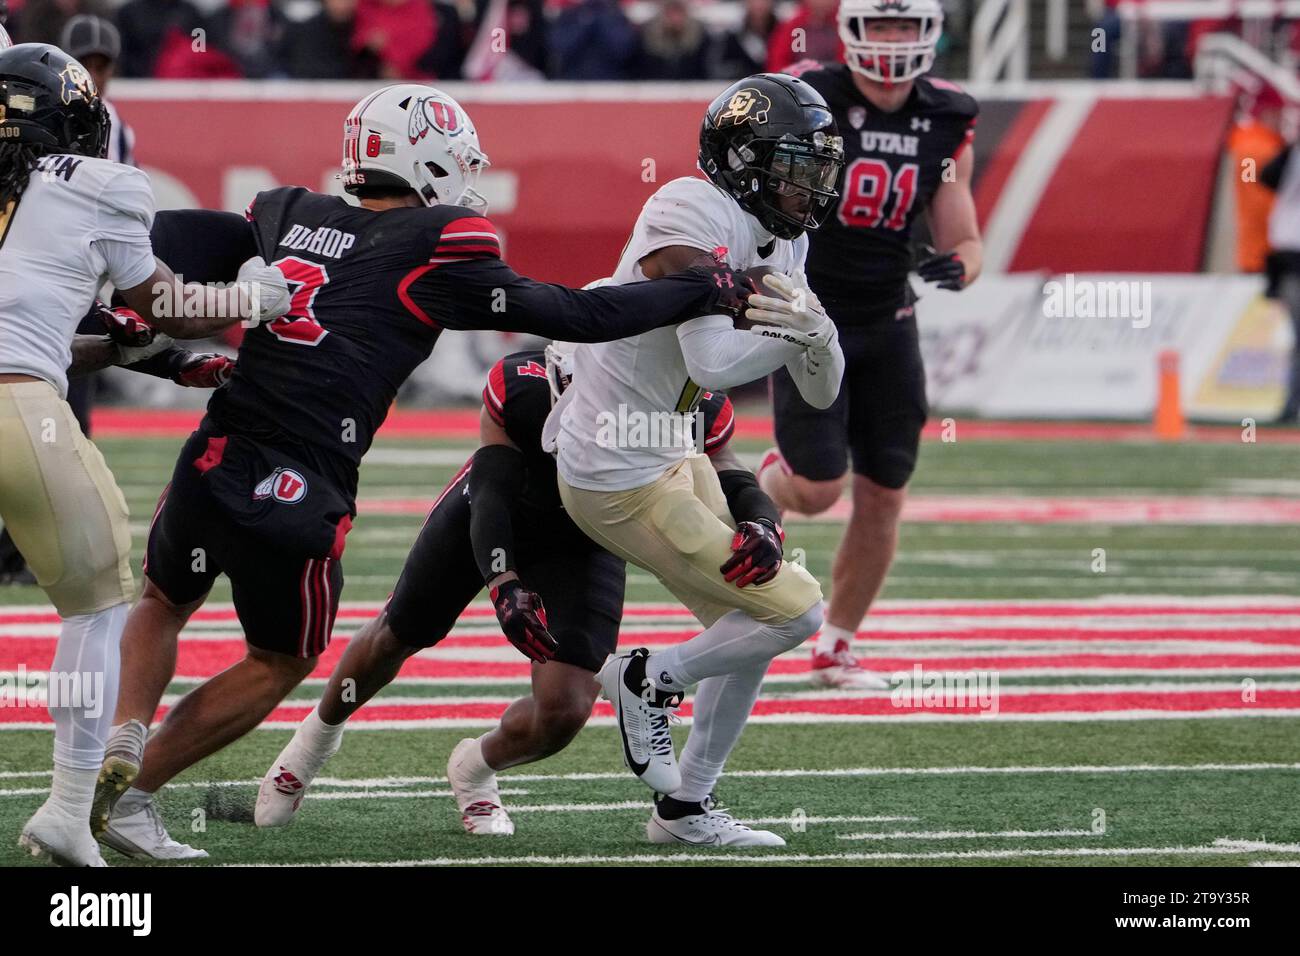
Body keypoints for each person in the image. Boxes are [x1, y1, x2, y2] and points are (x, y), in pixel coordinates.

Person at [91, 83, 763, 858]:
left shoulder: (287, 212)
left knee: (164, 599)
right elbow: (579, 316)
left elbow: (151, 248)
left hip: (215, 449)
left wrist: (146, 327)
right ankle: (136, 795)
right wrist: (703, 285)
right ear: (427, 158)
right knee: (281, 658)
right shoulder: (440, 240)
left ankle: (118, 743)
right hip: (305, 476)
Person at [255, 339, 781, 837]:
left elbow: (723, 469)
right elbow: (492, 487)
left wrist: (762, 519)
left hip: (588, 538)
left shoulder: (690, 400)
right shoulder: (526, 386)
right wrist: (502, 581)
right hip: (503, 510)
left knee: (565, 710)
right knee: (401, 630)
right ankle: (313, 742)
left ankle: (476, 766)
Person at [0, 42, 288, 867]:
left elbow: (45, 337)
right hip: (20, 413)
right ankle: (65, 806)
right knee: (95, 608)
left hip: (19, 384)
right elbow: (168, 301)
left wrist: (123, 352)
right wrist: (252, 300)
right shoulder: (94, 182)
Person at [550, 73, 846, 846]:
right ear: (744, 160)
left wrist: (821, 339)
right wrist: (799, 332)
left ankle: (684, 809)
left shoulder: (789, 235)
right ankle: (647, 678)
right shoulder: (685, 209)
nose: (812, 184)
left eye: (819, 166)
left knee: (746, 622)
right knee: (798, 610)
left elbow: (820, 393)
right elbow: (713, 361)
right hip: (616, 467)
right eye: (797, 165)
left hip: (671, 450)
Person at [759, 0, 983, 689]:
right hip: (809, 315)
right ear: (852, 31)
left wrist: (959, 267)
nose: (890, 41)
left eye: (903, 26)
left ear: (929, 34)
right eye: (879, 25)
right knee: (820, 489)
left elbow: (965, 239)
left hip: (890, 318)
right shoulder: (807, 95)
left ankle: (837, 645)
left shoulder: (947, 116)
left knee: (885, 490)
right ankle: (754, 487)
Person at [1262, 137, 1300, 423]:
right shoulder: (1289, 156)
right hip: (1291, 261)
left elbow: (1265, 177)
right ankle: (1290, 404)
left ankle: (1290, 405)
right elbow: (1265, 176)